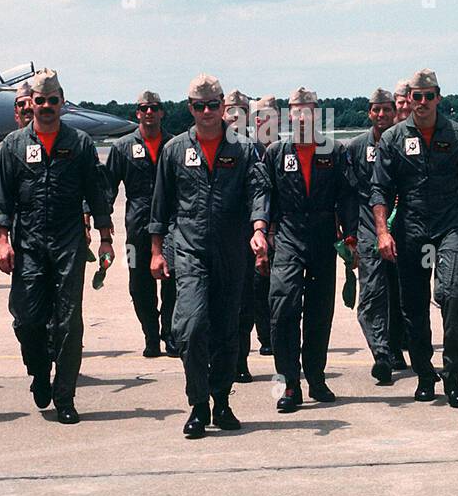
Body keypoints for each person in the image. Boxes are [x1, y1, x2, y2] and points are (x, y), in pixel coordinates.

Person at [0, 69, 114, 424]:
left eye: (53, 101)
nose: (46, 107)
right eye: (39, 101)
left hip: (68, 242)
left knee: (68, 320)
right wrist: (2, 242)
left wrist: (105, 239)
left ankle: (65, 396)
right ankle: (39, 371)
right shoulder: (12, 147)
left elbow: (97, 194)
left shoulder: (79, 143)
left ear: (62, 103)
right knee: (27, 318)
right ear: (31, 104)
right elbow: (1, 199)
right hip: (27, 243)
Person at [149, 74, 270, 438]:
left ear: (223, 107)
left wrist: (260, 230)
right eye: (198, 106)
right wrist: (156, 252)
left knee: (226, 329)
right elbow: (161, 206)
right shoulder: (174, 151)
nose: (206, 112)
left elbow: (258, 192)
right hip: (189, 250)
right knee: (192, 325)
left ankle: (221, 401)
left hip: (232, 250)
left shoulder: (244, 149)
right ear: (189, 108)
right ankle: (198, 404)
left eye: (213, 105)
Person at [371, 69, 458, 408]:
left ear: (438, 97)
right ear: (409, 99)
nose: (422, 103)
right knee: (414, 307)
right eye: (416, 96)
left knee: (453, 294)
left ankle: (453, 375)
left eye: (428, 96)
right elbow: (379, 189)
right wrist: (382, 232)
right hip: (411, 234)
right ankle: (424, 373)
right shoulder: (393, 138)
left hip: (448, 230)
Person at [264, 87, 357, 411]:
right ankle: (289, 383)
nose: (302, 115)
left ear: (316, 113)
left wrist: (351, 236)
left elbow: (347, 195)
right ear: (289, 114)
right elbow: (266, 196)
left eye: (308, 109)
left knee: (319, 312)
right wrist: (263, 232)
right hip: (288, 236)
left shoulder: (334, 151)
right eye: (296, 109)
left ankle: (315, 377)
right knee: (283, 306)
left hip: (321, 235)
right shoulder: (276, 152)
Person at [105, 91, 177, 359]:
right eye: (144, 108)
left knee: (173, 282)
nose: (149, 112)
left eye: (154, 108)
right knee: (139, 284)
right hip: (136, 227)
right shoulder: (122, 147)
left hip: (171, 227)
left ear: (162, 112)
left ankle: (169, 333)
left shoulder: (174, 145)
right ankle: (150, 335)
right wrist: (99, 218)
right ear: (137, 113)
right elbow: (108, 186)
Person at [344, 88, 408, 382]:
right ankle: (380, 353)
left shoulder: (406, 143)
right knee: (372, 294)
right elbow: (347, 194)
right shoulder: (356, 147)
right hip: (369, 228)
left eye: (386, 109)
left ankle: (398, 347)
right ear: (368, 113)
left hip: (405, 227)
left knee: (402, 294)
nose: (381, 115)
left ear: (395, 112)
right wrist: (348, 237)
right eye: (375, 110)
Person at [233, 93, 279, 376]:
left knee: (269, 293)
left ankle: (268, 340)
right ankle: (240, 359)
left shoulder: (283, 148)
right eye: (260, 116)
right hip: (244, 233)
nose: (265, 121)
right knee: (244, 297)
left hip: (274, 231)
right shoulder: (245, 150)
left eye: (270, 116)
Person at [0, 82, 33, 235]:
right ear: (16, 113)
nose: (27, 107)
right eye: (22, 104)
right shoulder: (4, 148)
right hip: (19, 225)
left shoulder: (51, 145)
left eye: (31, 102)